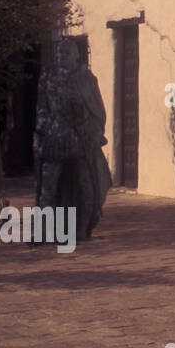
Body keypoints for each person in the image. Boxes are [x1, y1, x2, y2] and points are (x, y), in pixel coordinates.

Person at [34, 38, 111, 240]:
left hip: (80, 140)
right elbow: (42, 108)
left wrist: (93, 134)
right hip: (54, 138)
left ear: (76, 55)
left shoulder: (87, 79)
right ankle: (45, 231)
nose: (61, 57)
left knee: (86, 185)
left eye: (67, 53)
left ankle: (82, 230)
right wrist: (40, 133)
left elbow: (98, 112)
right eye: (59, 53)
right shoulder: (48, 77)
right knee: (47, 188)